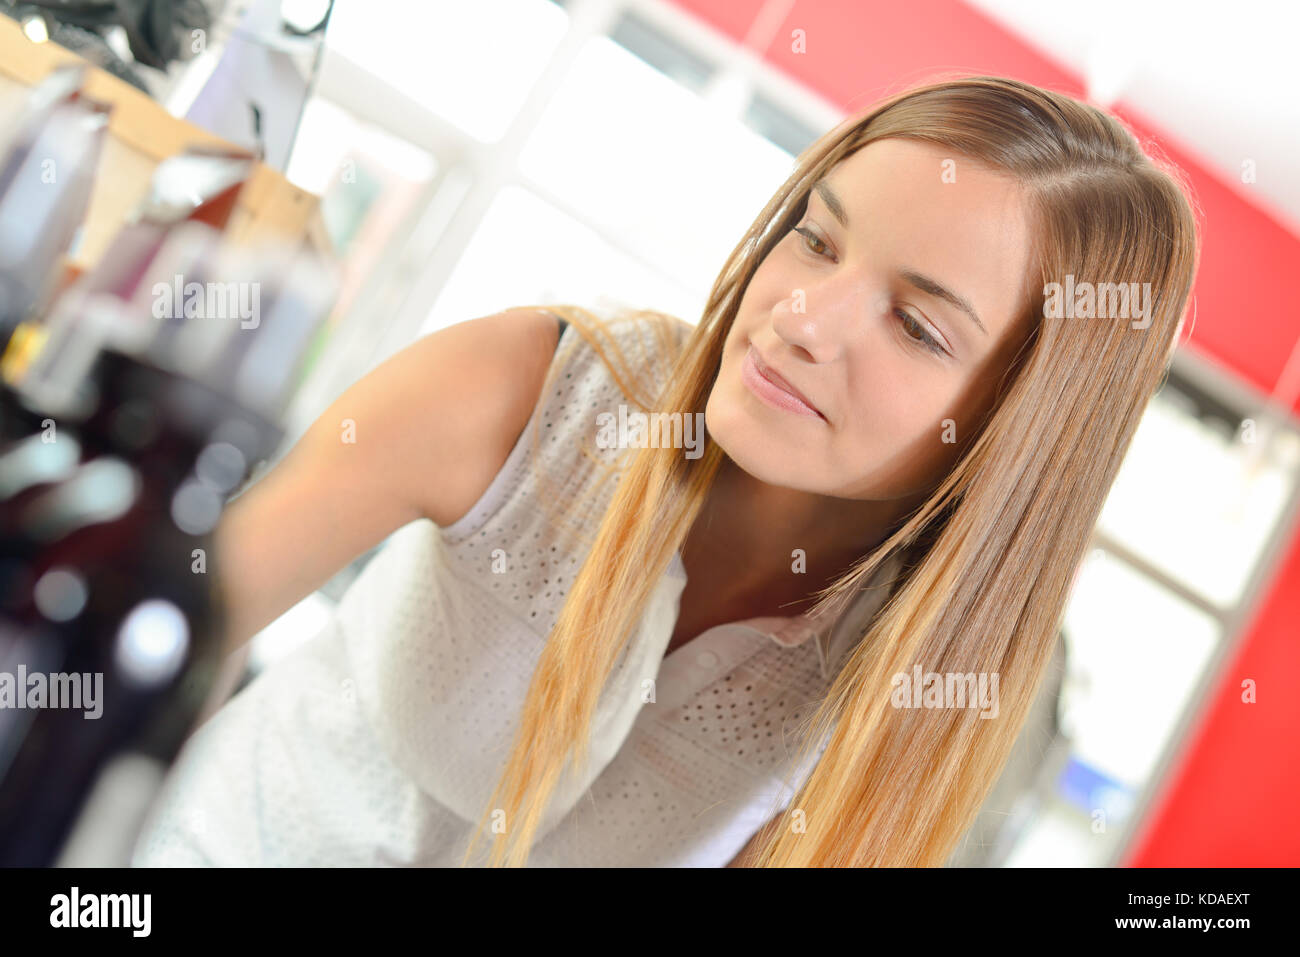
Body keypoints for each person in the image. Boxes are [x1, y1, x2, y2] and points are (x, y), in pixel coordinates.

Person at [130, 74, 1198, 868]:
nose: (799, 320)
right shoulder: (526, 389)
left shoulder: (913, 683)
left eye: (916, 324)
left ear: (1019, 425)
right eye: (816, 241)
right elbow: (148, 645)